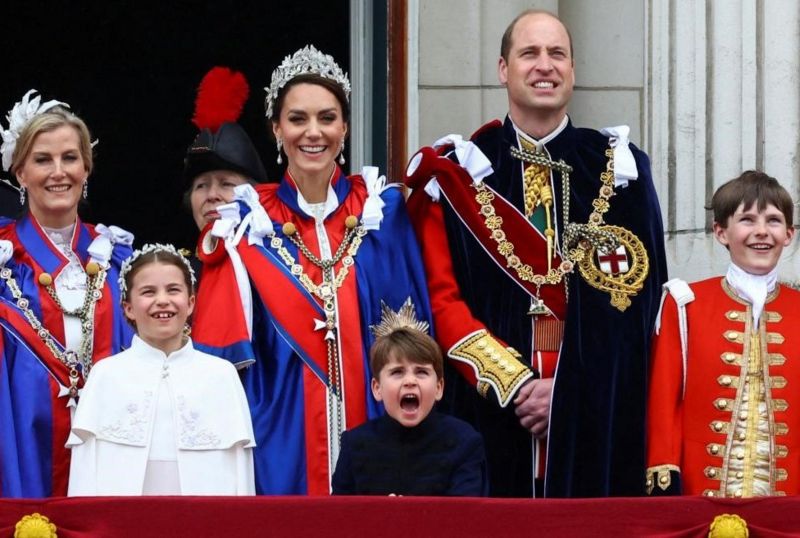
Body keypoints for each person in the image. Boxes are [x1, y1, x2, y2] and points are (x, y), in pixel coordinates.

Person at [403, 10, 667, 497]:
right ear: (504, 68)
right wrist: (517, 386)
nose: (544, 66)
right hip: (487, 415)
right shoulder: (458, 172)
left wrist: (568, 390)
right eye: (529, 53)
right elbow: (442, 301)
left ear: (572, 70)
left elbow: (641, 307)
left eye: (557, 54)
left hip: (595, 417)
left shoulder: (623, 170)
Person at [191, 45, 433, 495]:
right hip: (279, 446)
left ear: (344, 126)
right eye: (298, 119)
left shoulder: (384, 210)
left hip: (379, 437)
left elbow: (415, 344)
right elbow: (218, 368)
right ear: (277, 130)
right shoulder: (245, 224)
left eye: (327, 117)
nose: (313, 132)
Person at [0, 90, 134, 497]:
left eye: (70, 158)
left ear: (86, 169)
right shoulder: (4, 261)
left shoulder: (119, 259)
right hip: (23, 447)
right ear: (20, 173)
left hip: (114, 446)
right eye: (43, 160)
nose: (58, 172)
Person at [647, 171, 799, 498]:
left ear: (788, 234)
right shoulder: (684, 303)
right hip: (700, 493)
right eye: (747, 219)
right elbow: (664, 398)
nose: (762, 232)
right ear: (721, 232)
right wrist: (663, 470)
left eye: (773, 221)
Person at [67, 244, 255, 496]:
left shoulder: (221, 375)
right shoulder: (106, 375)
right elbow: (84, 473)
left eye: (173, 290)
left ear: (190, 303)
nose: (162, 300)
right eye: (148, 292)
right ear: (128, 308)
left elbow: (241, 472)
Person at [332, 300, 488, 496]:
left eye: (421, 372)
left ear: (439, 387)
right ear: (377, 388)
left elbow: (469, 518)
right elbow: (338, 518)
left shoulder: (464, 441)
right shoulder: (354, 444)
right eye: (397, 372)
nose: (410, 381)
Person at [182, 67, 268, 275]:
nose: (212, 195)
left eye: (226, 184)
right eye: (201, 186)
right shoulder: (177, 277)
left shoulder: (274, 266)